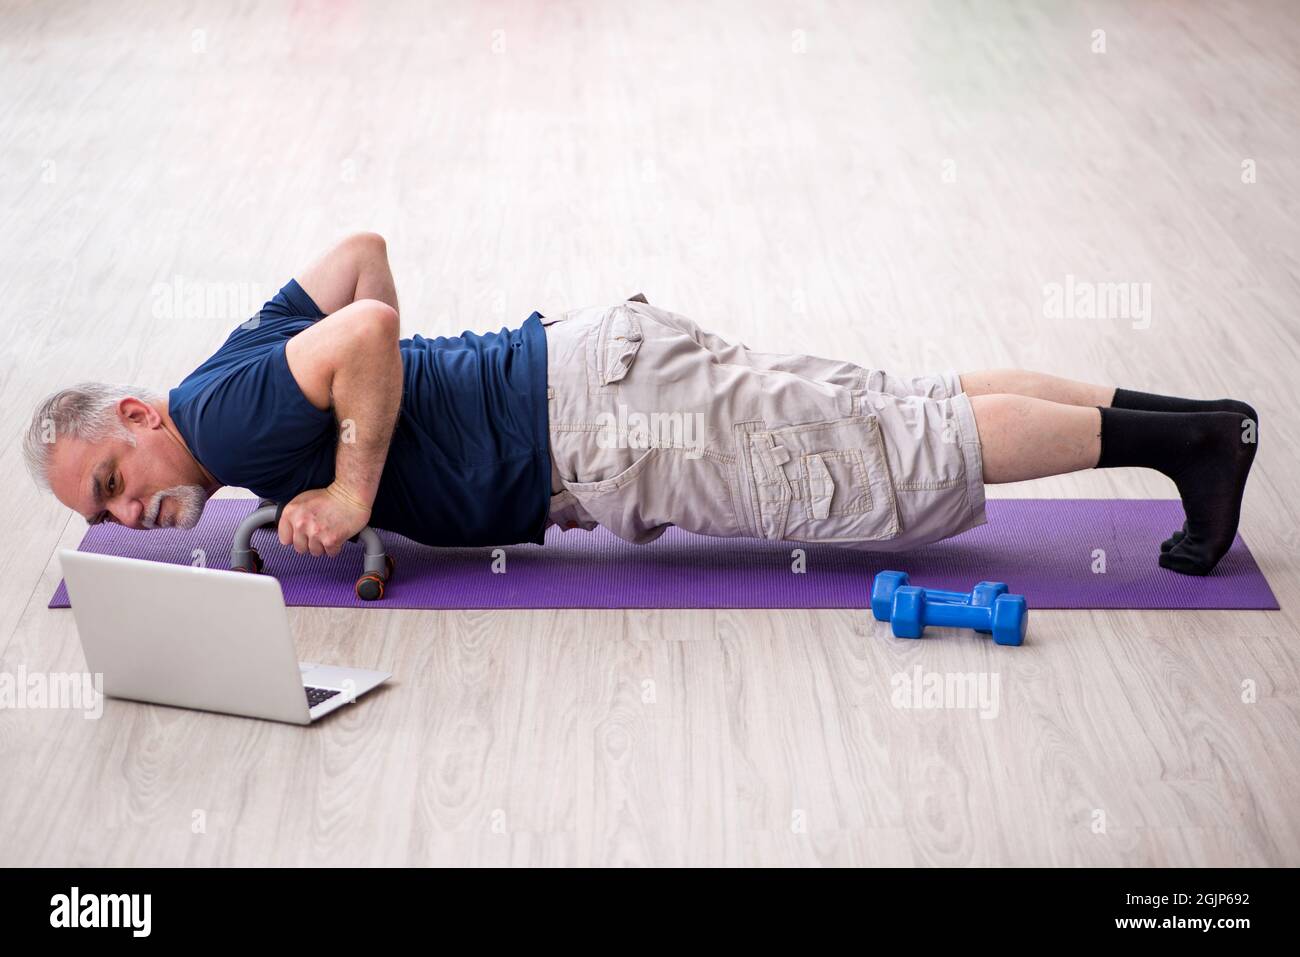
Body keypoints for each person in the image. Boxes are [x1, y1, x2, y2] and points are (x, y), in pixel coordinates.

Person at [23, 233, 1257, 577]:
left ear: (136, 418)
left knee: (899, 460)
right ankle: (1197, 427)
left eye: (114, 486)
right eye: (109, 514)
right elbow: (358, 252)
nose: (127, 517)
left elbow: (367, 327)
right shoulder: (228, 381)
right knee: (901, 403)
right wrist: (392, 456)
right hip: (593, 371)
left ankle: (1195, 446)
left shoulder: (223, 419)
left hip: (599, 419)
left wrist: (355, 486)